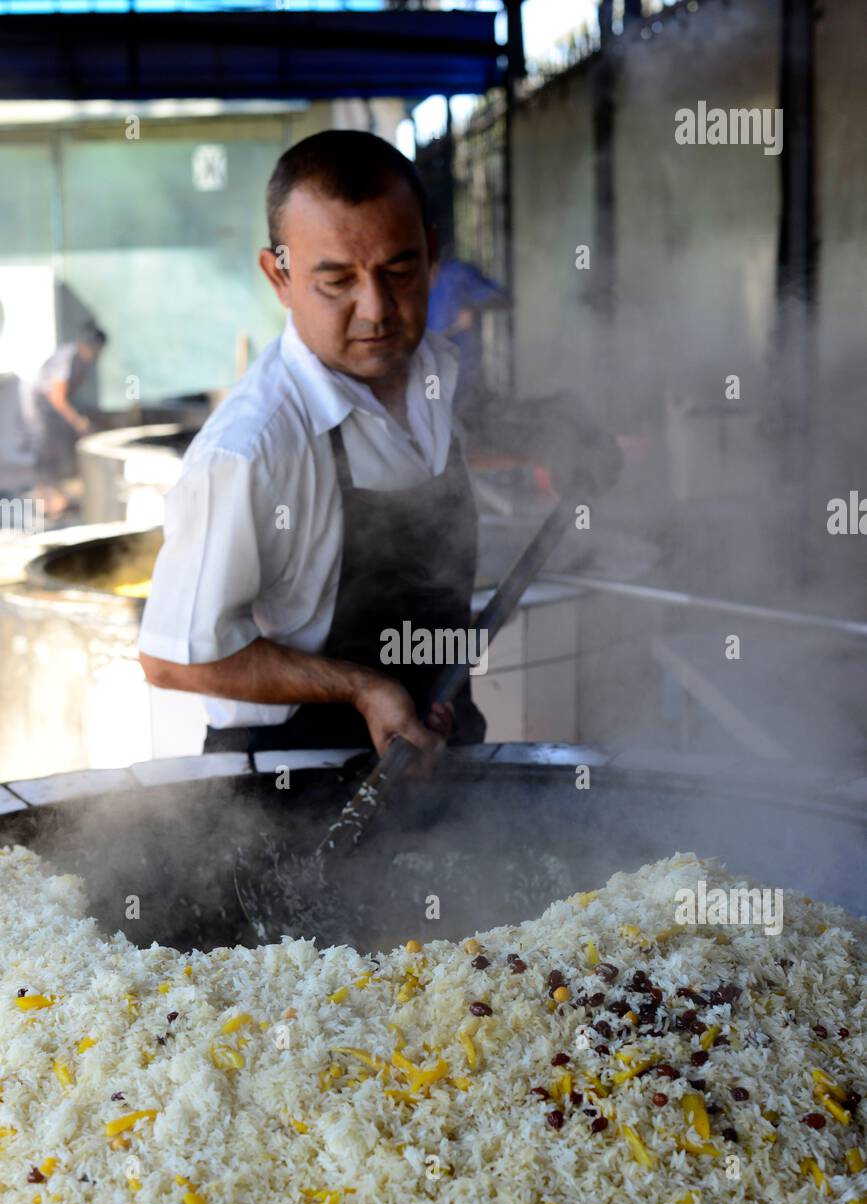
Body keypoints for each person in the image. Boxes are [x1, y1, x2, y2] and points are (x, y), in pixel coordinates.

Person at [138, 131, 617, 761]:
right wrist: (363, 687)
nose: (377, 311)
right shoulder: (252, 449)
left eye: (399, 270)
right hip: (290, 787)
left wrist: (557, 439)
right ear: (278, 276)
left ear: (432, 254)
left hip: (440, 754)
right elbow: (174, 656)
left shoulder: (432, 373)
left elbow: (434, 441)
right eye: (336, 280)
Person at [25, 322, 107, 516]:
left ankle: (54, 495)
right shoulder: (67, 358)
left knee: (58, 447)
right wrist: (77, 421)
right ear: (87, 346)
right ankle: (47, 500)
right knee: (49, 448)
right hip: (42, 403)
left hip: (52, 405)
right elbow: (57, 397)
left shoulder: (84, 362)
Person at [427, 256, 508, 417]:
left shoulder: (457, 274)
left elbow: (504, 299)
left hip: (464, 373)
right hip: (430, 373)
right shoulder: (407, 287)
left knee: (466, 421)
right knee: (434, 415)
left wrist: (472, 307)